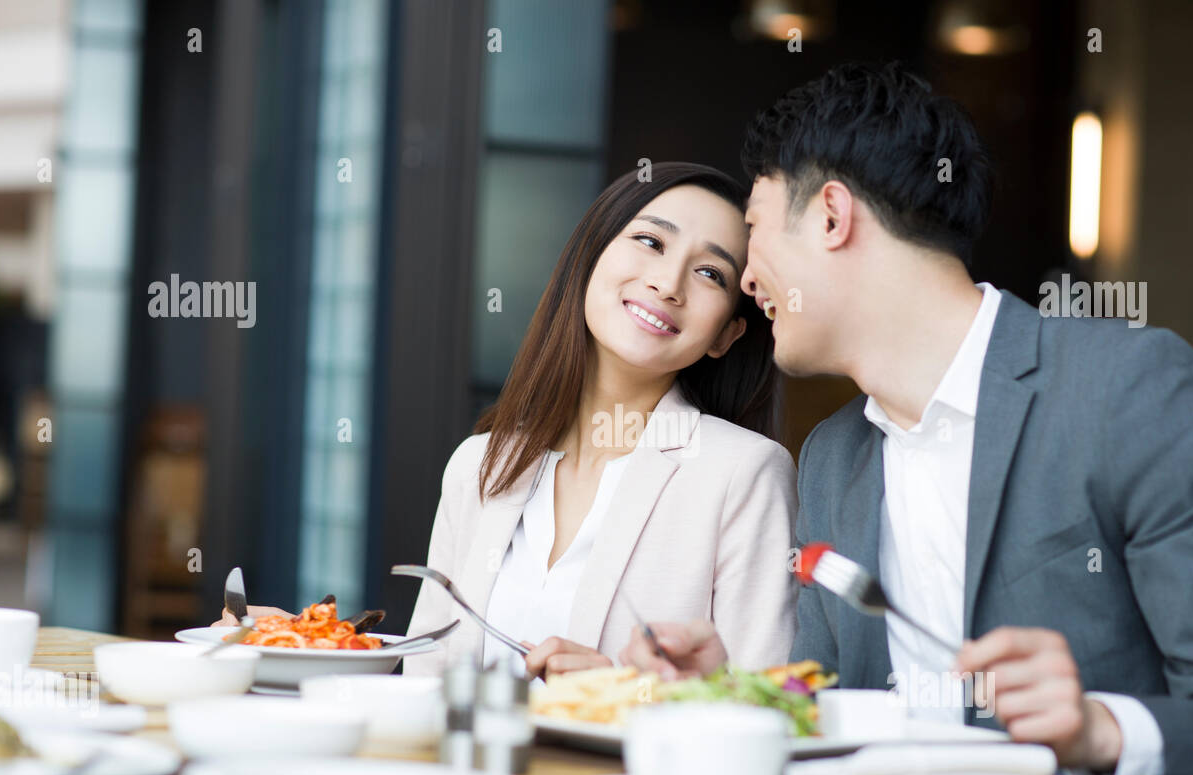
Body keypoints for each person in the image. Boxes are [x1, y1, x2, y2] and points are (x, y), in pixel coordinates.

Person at [622, 64, 1193, 775]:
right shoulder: (831, 460)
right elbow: (832, 714)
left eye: (754, 232)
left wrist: (1098, 729)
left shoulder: (1127, 390)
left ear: (832, 216)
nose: (749, 278)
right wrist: (733, 699)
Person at [222, 163, 799, 681]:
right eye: (650, 242)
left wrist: (624, 697)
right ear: (589, 257)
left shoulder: (742, 473)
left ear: (727, 333)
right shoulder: (480, 464)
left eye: (710, 275)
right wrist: (302, 645)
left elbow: (767, 706)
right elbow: (426, 679)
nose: (667, 284)